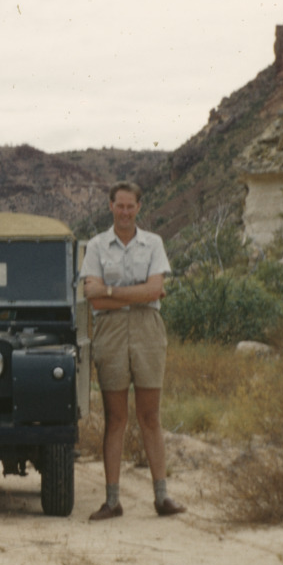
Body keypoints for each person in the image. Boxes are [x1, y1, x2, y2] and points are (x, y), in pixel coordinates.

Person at [78, 181, 185, 522]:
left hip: (147, 330)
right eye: (119, 206)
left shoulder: (153, 243)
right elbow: (93, 299)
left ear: (139, 207)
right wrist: (138, 293)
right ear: (110, 206)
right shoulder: (96, 246)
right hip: (109, 331)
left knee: (150, 415)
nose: (124, 212)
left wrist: (111, 289)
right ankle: (112, 501)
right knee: (116, 418)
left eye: (130, 206)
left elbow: (155, 289)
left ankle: (162, 496)